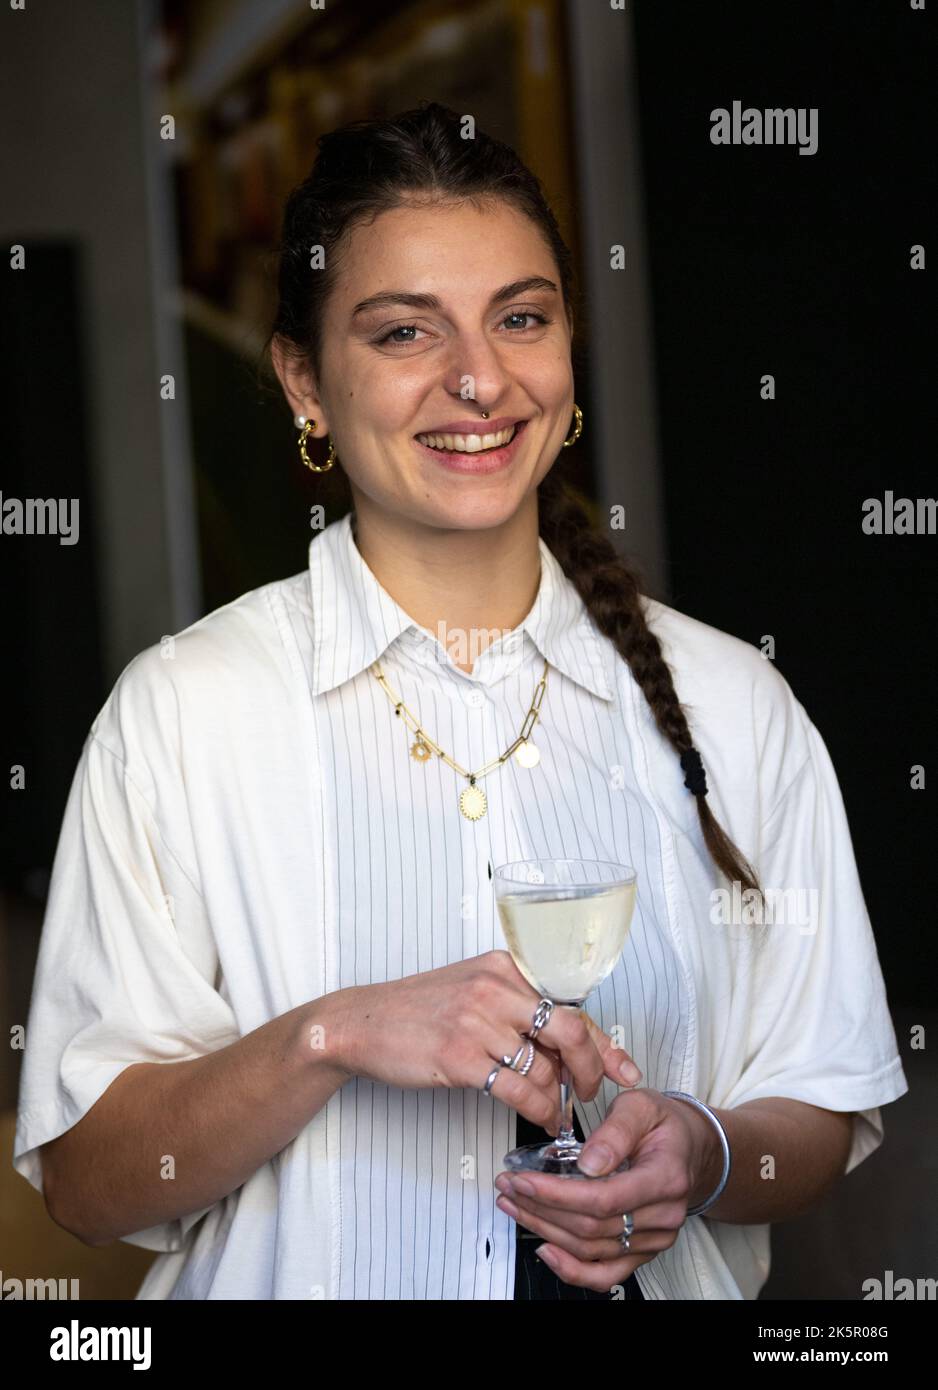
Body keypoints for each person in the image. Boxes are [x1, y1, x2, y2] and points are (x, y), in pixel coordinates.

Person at [14, 102, 907, 1301]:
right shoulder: (183, 714)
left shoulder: (732, 703)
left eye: (520, 318)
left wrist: (697, 1154)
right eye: (402, 334)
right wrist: (326, 1036)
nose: (479, 379)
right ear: (302, 382)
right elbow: (88, 1184)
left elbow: (818, 1102)